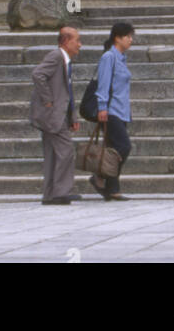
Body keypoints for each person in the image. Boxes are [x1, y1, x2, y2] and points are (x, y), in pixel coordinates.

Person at [29, 24, 81, 205]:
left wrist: (72, 117)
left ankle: (50, 194)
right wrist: (47, 100)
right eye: (77, 40)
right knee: (66, 151)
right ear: (66, 41)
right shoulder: (56, 56)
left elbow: (68, 92)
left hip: (57, 115)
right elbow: (38, 74)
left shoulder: (65, 61)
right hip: (52, 115)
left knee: (52, 154)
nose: (79, 45)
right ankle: (61, 191)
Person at [92, 20, 135, 201]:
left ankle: (112, 188)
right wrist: (102, 107)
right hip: (111, 111)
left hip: (122, 110)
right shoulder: (109, 57)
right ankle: (101, 177)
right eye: (128, 36)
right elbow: (103, 83)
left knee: (112, 149)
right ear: (117, 38)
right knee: (123, 146)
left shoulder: (121, 58)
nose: (131, 40)